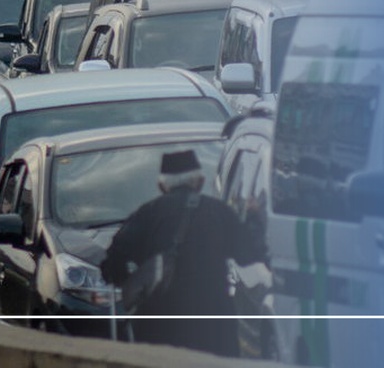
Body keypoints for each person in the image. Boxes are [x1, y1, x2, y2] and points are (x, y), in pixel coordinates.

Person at [100, 149, 265, 357]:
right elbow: (249, 254)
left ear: (161, 186)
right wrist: (253, 219)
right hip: (213, 330)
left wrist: (138, 283)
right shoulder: (219, 212)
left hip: (159, 331)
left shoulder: (147, 214)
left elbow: (111, 267)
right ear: (200, 182)